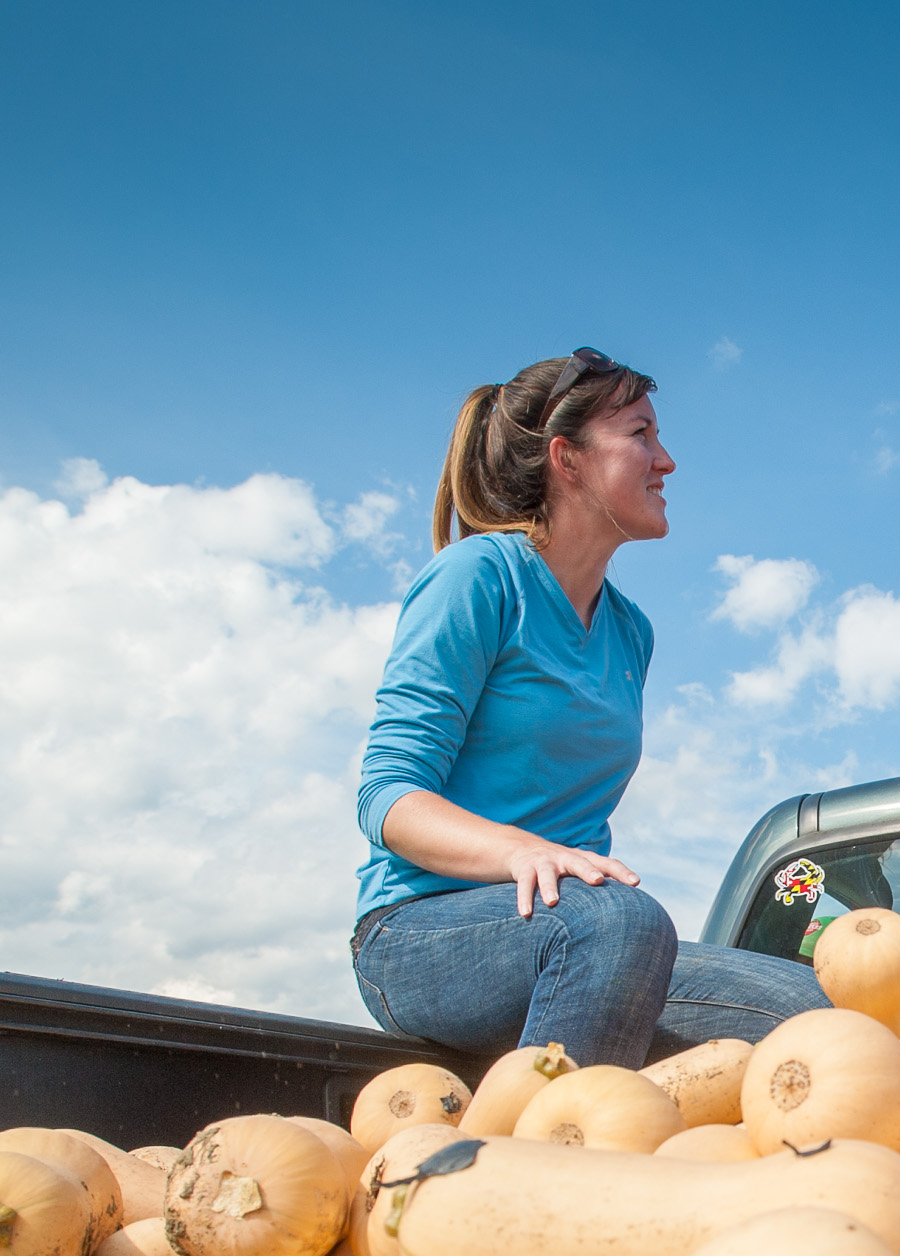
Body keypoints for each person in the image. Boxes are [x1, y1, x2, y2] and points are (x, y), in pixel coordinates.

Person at [350, 348, 828, 1070]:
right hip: (421, 934)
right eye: (641, 434)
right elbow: (387, 796)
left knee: (810, 1008)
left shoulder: (631, 631)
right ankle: (553, 1159)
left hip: (584, 933)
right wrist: (520, 852)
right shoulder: (478, 577)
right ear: (566, 460)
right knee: (617, 922)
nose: (666, 461)